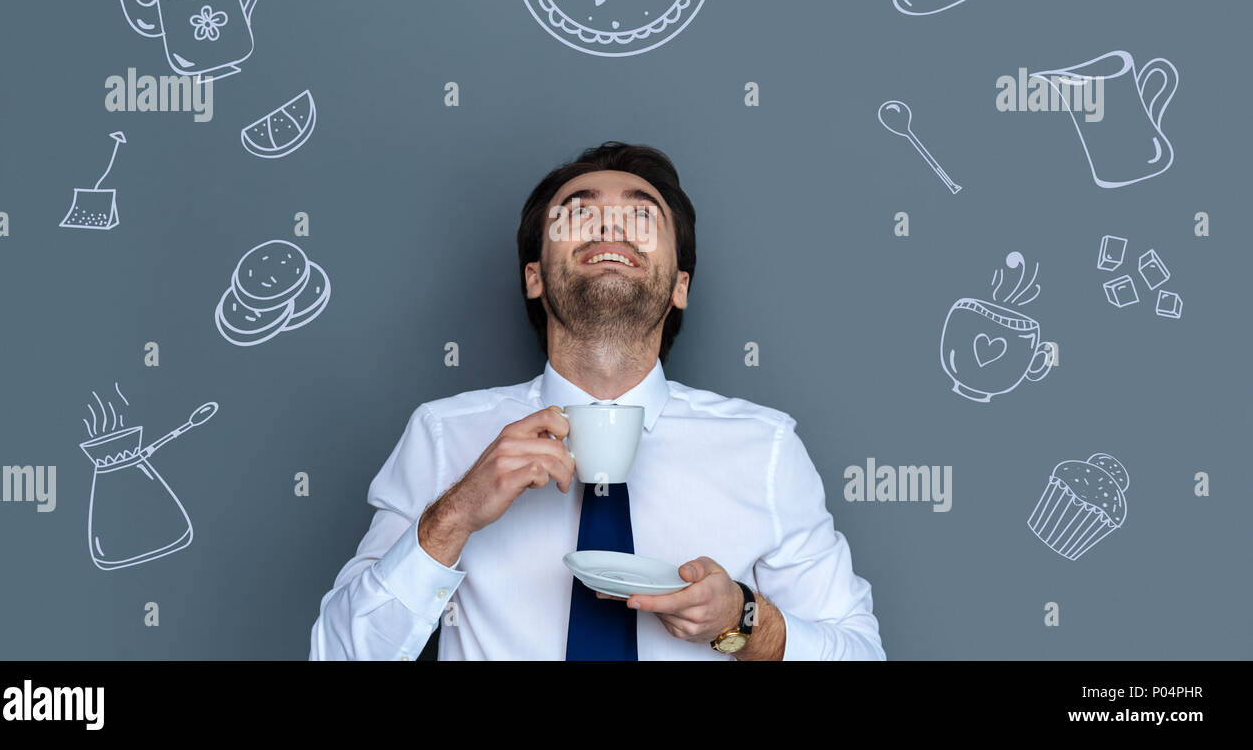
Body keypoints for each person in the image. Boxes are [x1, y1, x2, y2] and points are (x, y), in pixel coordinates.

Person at [309, 142, 885, 660]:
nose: (611, 227)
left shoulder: (767, 449)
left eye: (641, 215)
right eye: (578, 213)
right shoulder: (442, 435)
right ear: (533, 276)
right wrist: (454, 514)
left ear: (680, 285)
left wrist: (741, 621)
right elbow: (339, 653)